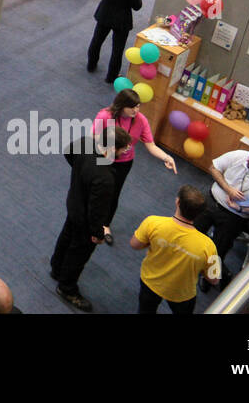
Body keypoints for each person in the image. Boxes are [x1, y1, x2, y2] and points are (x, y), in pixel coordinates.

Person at [49, 125, 131, 311]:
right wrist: (97, 233)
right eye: (124, 148)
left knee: (66, 236)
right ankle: (67, 288)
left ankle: (56, 268)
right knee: (79, 253)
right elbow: (97, 211)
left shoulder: (86, 143)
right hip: (86, 220)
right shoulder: (106, 176)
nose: (126, 150)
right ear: (111, 148)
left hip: (74, 204)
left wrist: (80, 172)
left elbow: (68, 151)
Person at [93, 88, 177, 244]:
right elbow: (94, 140)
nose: (136, 110)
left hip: (124, 163)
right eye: (132, 107)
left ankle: (105, 225)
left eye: (138, 106)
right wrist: (109, 150)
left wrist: (167, 157)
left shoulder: (140, 120)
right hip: (105, 159)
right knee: (98, 189)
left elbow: (151, 145)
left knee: (114, 193)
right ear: (121, 105)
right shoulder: (105, 116)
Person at [194, 146, 249, 290]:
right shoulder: (240, 156)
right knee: (191, 233)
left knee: (217, 251)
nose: (248, 160)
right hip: (212, 201)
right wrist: (228, 189)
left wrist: (242, 208)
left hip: (234, 216)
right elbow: (213, 168)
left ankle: (208, 277)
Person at [130, 186, 220, 314]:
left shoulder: (153, 223)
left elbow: (134, 244)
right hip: (182, 294)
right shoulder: (209, 246)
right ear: (201, 213)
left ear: (177, 202)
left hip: (150, 282)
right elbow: (214, 279)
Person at [86, 0, 144, 86]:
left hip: (104, 15)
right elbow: (136, 6)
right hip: (121, 21)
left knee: (96, 41)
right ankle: (111, 77)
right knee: (117, 50)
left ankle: (91, 65)